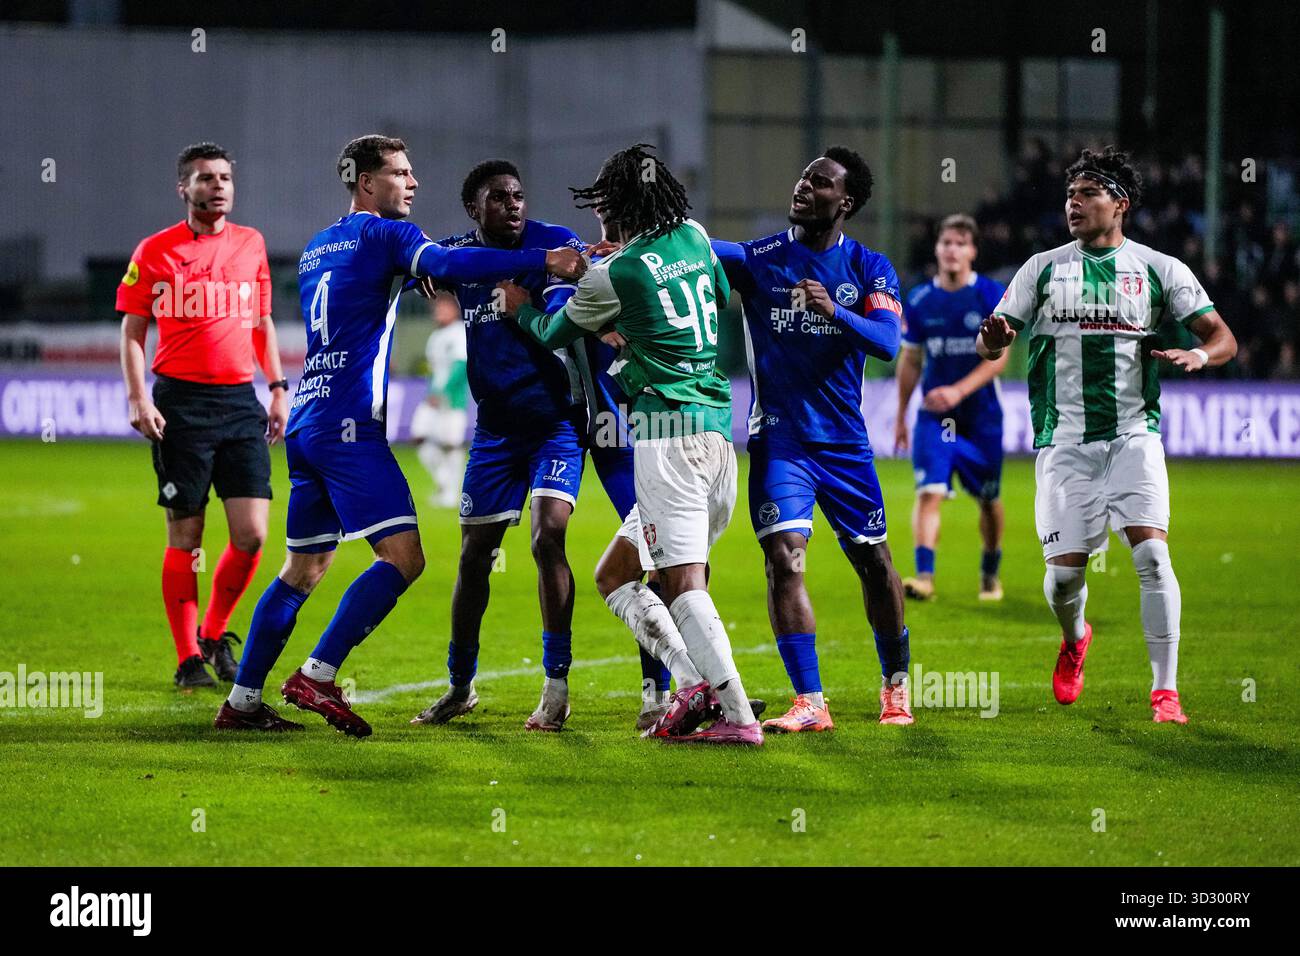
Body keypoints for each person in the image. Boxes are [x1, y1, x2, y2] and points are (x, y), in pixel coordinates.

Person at [214, 135, 584, 735]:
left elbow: (387, 285)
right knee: (404, 558)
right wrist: (543, 262)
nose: (412, 184)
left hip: (308, 419)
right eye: (401, 174)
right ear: (366, 182)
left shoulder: (316, 247)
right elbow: (442, 262)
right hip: (348, 424)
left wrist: (415, 278)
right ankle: (319, 674)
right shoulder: (388, 234)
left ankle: (243, 701)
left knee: (302, 569)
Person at [502, 144, 763, 745]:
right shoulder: (695, 235)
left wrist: (521, 308)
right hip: (719, 435)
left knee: (682, 585)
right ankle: (696, 683)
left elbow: (551, 331)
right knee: (616, 575)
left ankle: (739, 719)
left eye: (601, 207)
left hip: (666, 439)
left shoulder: (612, 274)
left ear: (617, 209)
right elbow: (719, 297)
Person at [977, 146, 1237, 724]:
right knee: (1063, 579)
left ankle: (1165, 692)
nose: (1073, 203)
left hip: (1133, 437)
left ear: (1118, 204)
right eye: (1069, 195)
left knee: (1152, 555)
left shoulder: (1159, 269)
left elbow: (1223, 337)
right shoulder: (1040, 268)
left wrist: (1198, 354)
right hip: (1064, 444)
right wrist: (993, 337)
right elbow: (992, 343)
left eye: (1087, 194)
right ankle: (1075, 638)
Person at [712, 146, 915, 732]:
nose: (804, 186)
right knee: (784, 559)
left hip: (845, 444)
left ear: (845, 201)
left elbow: (886, 342)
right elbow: (694, 253)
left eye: (820, 182)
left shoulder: (870, 268)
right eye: (803, 176)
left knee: (874, 564)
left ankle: (896, 687)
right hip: (780, 441)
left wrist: (833, 311)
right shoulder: (759, 259)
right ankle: (811, 703)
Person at [407, 160, 591, 732]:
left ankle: (556, 687)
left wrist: (531, 304)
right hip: (494, 432)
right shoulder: (460, 256)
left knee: (548, 536)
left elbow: (565, 316)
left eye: (518, 195)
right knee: (472, 557)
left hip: (555, 421)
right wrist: (422, 274)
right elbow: (429, 264)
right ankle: (460, 685)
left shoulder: (556, 244)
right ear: (474, 208)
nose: (513, 205)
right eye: (499, 197)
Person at [117, 142, 287, 689]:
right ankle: (188, 656)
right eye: (206, 178)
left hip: (240, 402)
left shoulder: (251, 245)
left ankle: (214, 636)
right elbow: (133, 331)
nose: (218, 186)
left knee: (253, 534)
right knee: (185, 536)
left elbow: (261, 324)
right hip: (180, 404)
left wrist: (278, 388)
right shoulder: (157, 250)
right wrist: (139, 397)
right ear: (184, 189)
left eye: (225, 178)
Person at [895, 214, 1008, 602]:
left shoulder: (991, 295)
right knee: (929, 491)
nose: (952, 250)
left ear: (973, 251)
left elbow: (998, 359)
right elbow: (910, 361)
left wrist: (958, 392)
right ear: (937, 250)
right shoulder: (921, 300)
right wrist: (900, 417)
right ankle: (924, 576)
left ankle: (990, 572)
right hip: (935, 416)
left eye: (961, 243)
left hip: (981, 418)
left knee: (989, 501)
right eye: (946, 242)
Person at [410, 292, 468, 508]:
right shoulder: (435, 337)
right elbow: (435, 371)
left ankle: (452, 493)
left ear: (454, 310)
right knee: (419, 436)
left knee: (450, 445)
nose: (439, 312)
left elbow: (460, 367)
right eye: (437, 308)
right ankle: (445, 484)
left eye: (443, 308)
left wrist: (443, 392)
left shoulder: (459, 333)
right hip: (433, 398)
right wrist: (432, 392)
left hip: (452, 399)